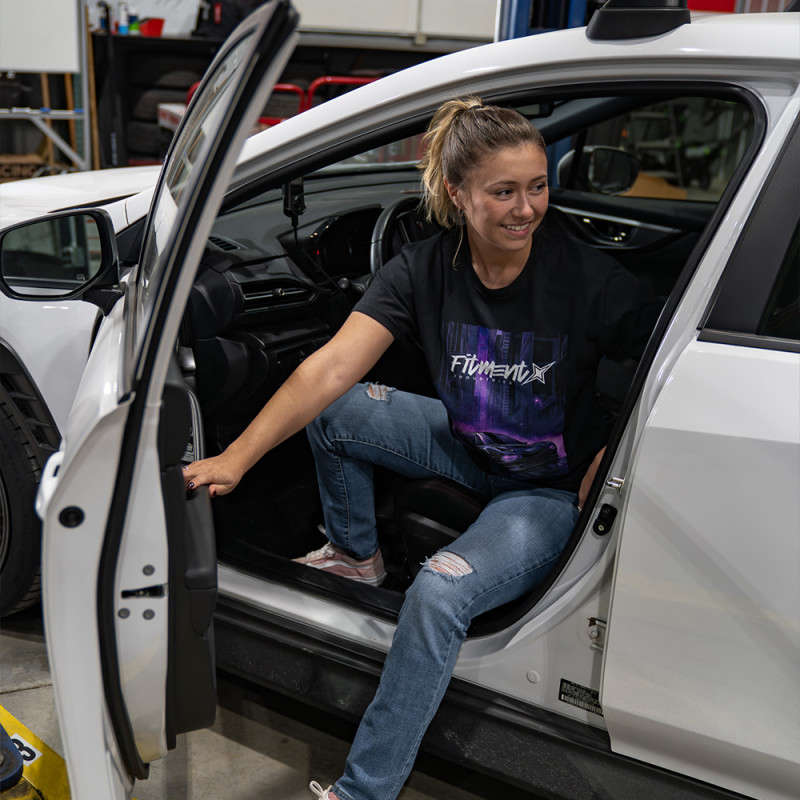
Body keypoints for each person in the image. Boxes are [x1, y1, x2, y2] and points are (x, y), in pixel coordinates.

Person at [183, 96, 656, 800]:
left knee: (438, 590)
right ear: (457, 194)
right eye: (503, 192)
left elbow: (667, 362)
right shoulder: (424, 269)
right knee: (339, 411)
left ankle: (363, 791)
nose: (527, 209)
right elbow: (329, 367)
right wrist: (237, 458)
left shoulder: (582, 276)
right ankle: (355, 555)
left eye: (537, 185)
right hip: (470, 446)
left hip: (545, 491)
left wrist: (607, 454)